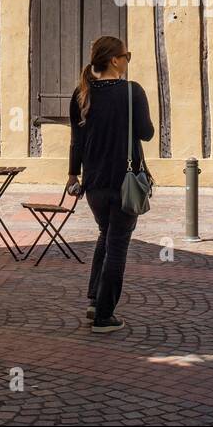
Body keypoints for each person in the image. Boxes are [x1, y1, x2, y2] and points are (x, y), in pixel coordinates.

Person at [67, 35, 154, 334]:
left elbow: (76, 141)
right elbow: (146, 133)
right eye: (126, 55)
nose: (127, 61)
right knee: (117, 245)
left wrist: (72, 175)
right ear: (115, 60)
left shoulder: (81, 94)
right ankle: (104, 315)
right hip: (125, 182)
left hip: (93, 186)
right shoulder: (132, 92)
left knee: (106, 235)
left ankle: (94, 300)